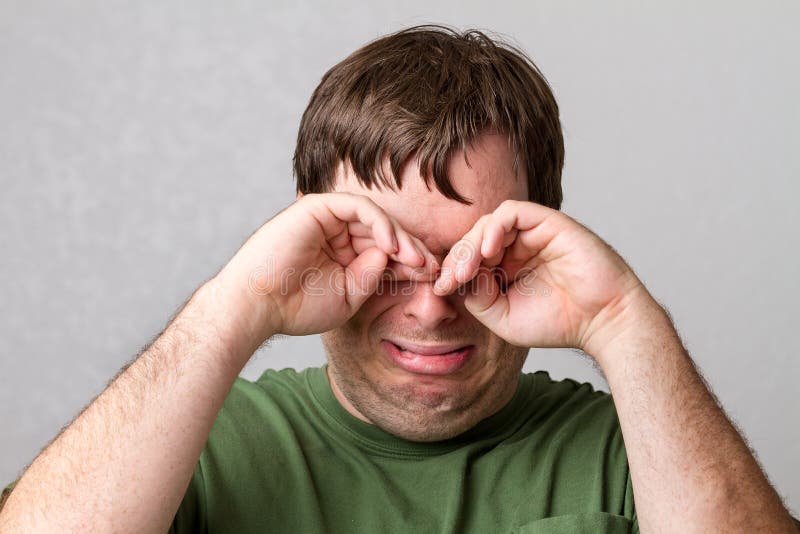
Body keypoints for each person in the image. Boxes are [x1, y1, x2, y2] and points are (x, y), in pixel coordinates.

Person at [1, 25, 797, 533]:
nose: (431, 304)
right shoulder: (199, 443)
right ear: (310, 237)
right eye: (387, 254)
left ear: (543, 237)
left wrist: (623, 318)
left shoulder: (637, 455)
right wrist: (234, 307)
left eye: (477, 257)